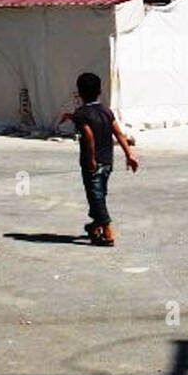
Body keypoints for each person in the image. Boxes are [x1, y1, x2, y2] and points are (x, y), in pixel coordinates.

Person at [62, 72, 138, 246]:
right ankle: (94, 227)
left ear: (79, 93)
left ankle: (107, 230)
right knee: (99, 195)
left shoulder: (81, 113)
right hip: (108, 162)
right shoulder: (106, 111)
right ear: (100, 91)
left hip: (93, 163)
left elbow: (88, 135)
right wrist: (129, 155)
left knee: (95, 196)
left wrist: (90, 159)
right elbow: (119, 134)